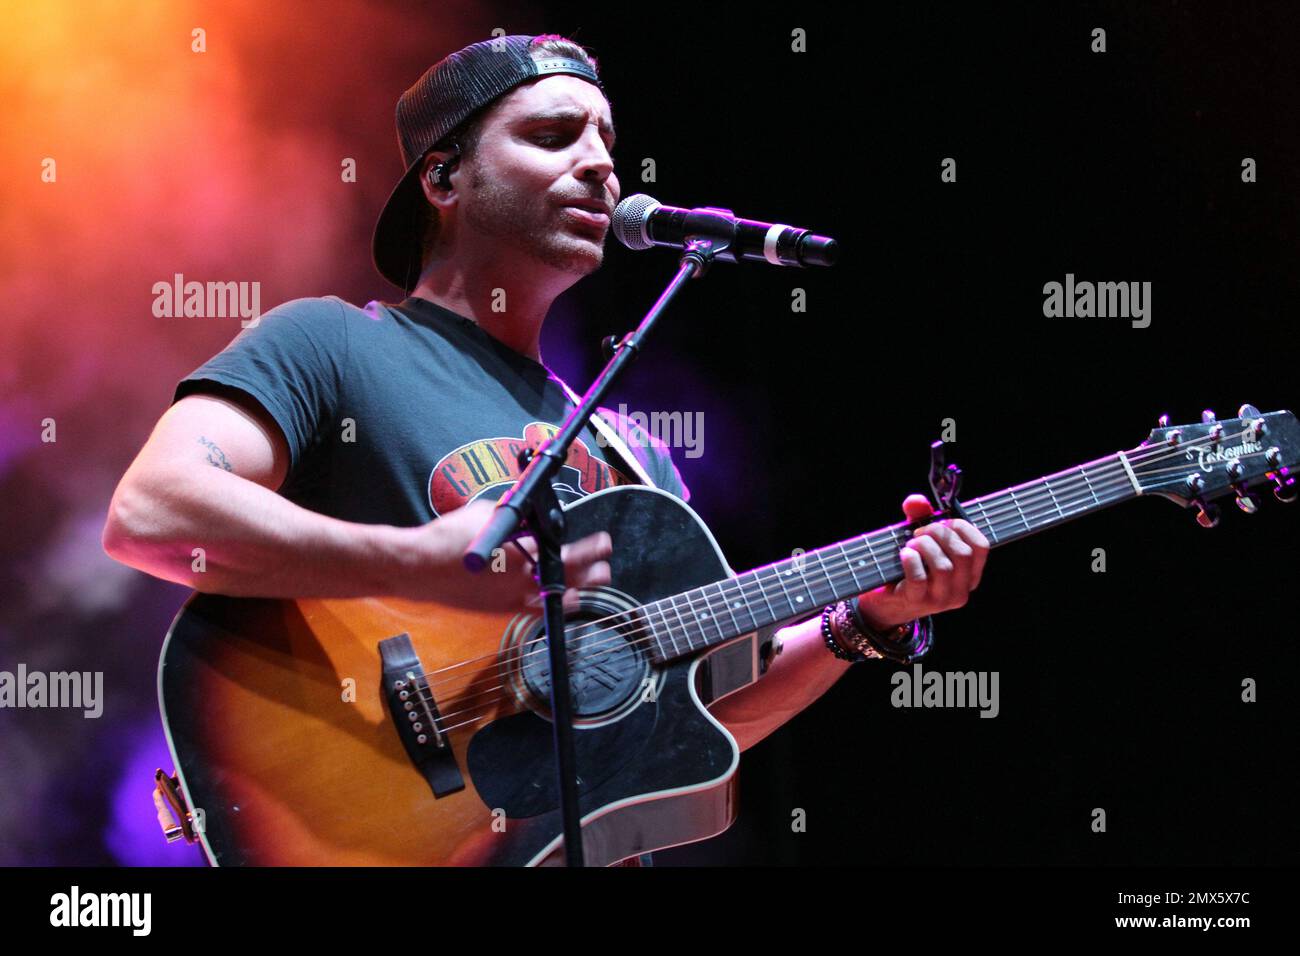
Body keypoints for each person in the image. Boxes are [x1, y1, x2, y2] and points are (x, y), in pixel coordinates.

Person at [102, 33, 989, 860]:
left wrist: (864, 619)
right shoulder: (333, 346)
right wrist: (413, 562)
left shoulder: (636, 456)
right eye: (555, 135)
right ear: (442, 178)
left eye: (608, 139)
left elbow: (674, 727)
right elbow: (152, 514)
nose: (602, 165)